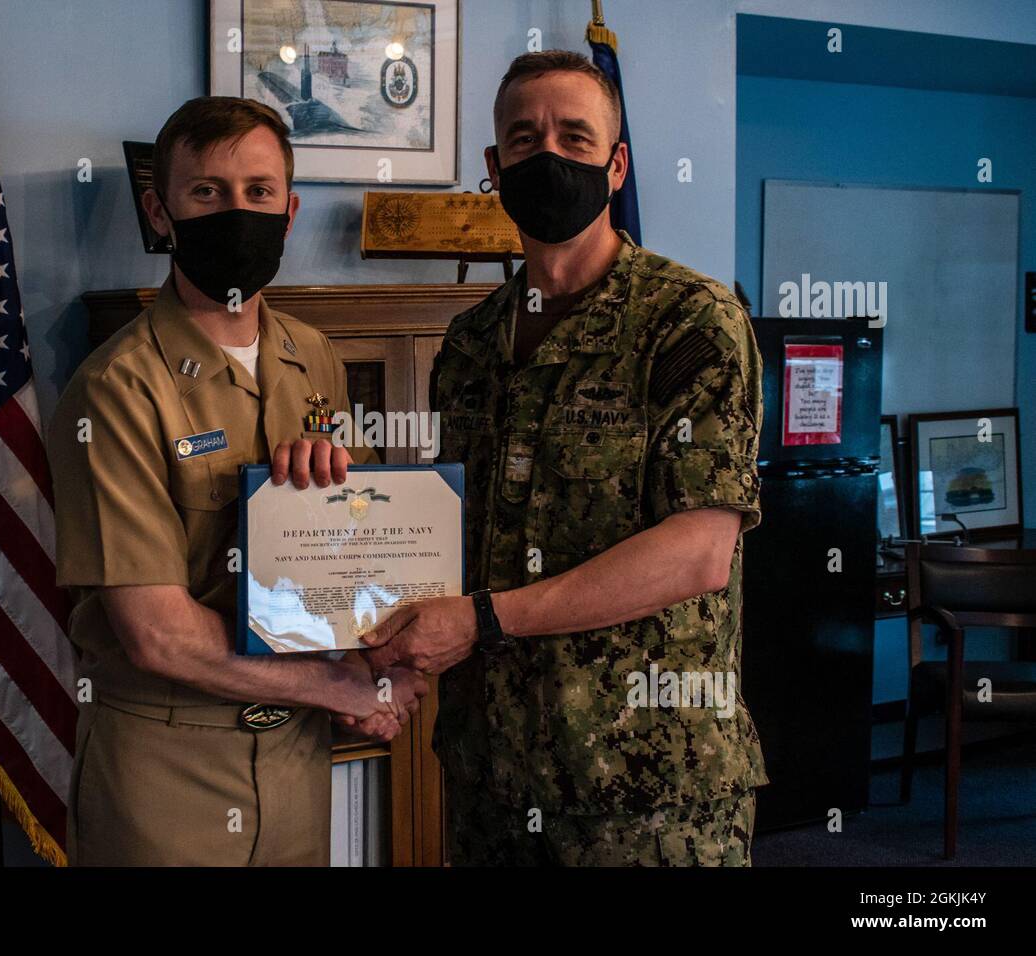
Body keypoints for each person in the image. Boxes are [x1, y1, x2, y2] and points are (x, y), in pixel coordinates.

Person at [362, 51, 768, 866]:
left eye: (574, 136)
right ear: (494, 167)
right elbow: (447, 536)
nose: (548, 154)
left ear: (616, 166)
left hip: (648, 792)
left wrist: (481, 620)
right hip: (491, 779)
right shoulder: (470, 344)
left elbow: (699, 553)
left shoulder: (691, 325)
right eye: (524, 137)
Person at [47, 96, 426, 866]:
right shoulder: (116, 388)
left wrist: (377, 656)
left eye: (258, 193)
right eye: (207, 193)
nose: (236, 212)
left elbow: (340, 571)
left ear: (288, 214)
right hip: (168, 771)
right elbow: (155, 634)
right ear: (161, 211)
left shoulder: (312, 354)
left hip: (292, 763)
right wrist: (341, 688)